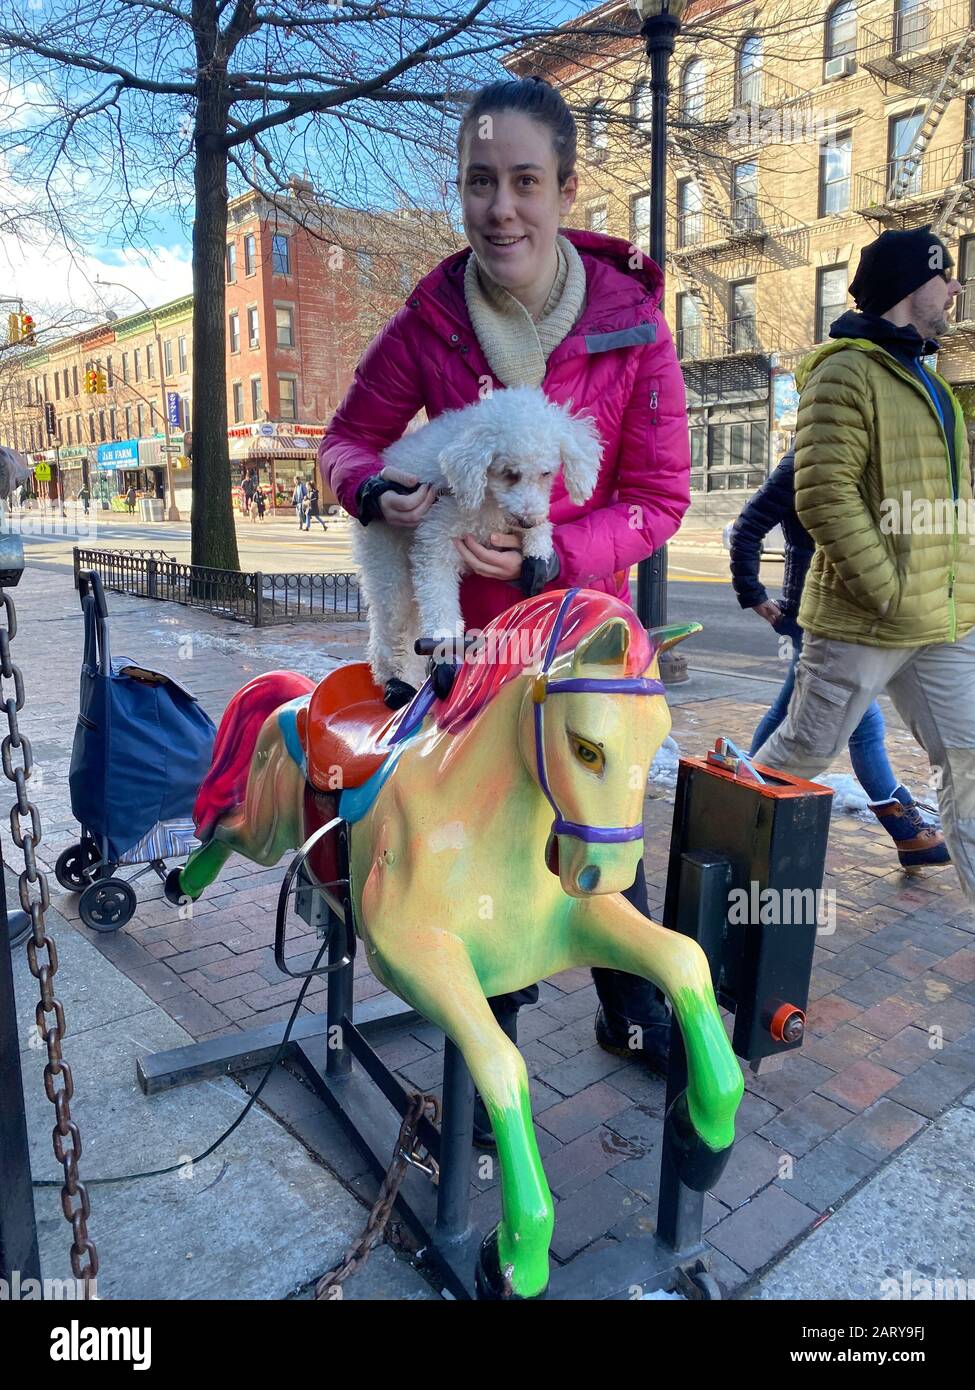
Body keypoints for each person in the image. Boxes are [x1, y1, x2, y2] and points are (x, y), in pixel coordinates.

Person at [320, 76, 692, 1113]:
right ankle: (494, 1058)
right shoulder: (429, 324)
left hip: (578, 640)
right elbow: (344, 441)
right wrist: (376, 487)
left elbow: (660, 498)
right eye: (480, 182)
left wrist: (547, 554)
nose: (500, 208)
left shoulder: (633, 329)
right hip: (468, 653)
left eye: (525, 181)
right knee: (481, 839)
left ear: (566, 189)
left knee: (600, 816)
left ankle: (632, 1004)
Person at [751, 225, 975, 906]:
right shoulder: (843, 369)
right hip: (861, 622)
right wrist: (890, 592)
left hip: (942, 624)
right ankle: (722, 899)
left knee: (967, 760)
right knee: (793, 763)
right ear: (912, 286)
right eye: (946, 276)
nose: (956, 288)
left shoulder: (926, 379)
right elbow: (823, 495)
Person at [731, 452, 949, 869]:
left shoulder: (862, 459)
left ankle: (740, 802)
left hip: (847, 615)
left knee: (788, 714)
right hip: (813, 614)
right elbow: (747, 527)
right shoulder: (801, 462)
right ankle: (907, 831)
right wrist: (753, 594)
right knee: (863, 725)